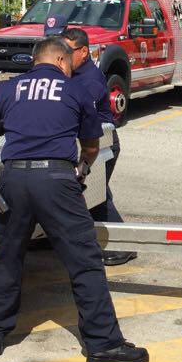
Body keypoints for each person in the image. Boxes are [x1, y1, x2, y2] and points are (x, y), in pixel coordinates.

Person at [0, 36, 149, 362]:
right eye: (69, 64)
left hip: (12, 180)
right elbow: (91, 145)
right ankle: (104, 346)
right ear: (60, 61)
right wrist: (82, 170)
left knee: (6, 255)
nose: (71, 70)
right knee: (84, 261)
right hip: (56, 180)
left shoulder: (8, 89)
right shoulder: (75, 91)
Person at [44, 17, 138, 266]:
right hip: (87, 143)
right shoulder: (74, 74)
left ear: (83, 52)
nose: (61, 57)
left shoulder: (88, 81)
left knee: (97, 196)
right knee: (92, 194)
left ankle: (120, 244)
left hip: (101, 144)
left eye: (67, 52)